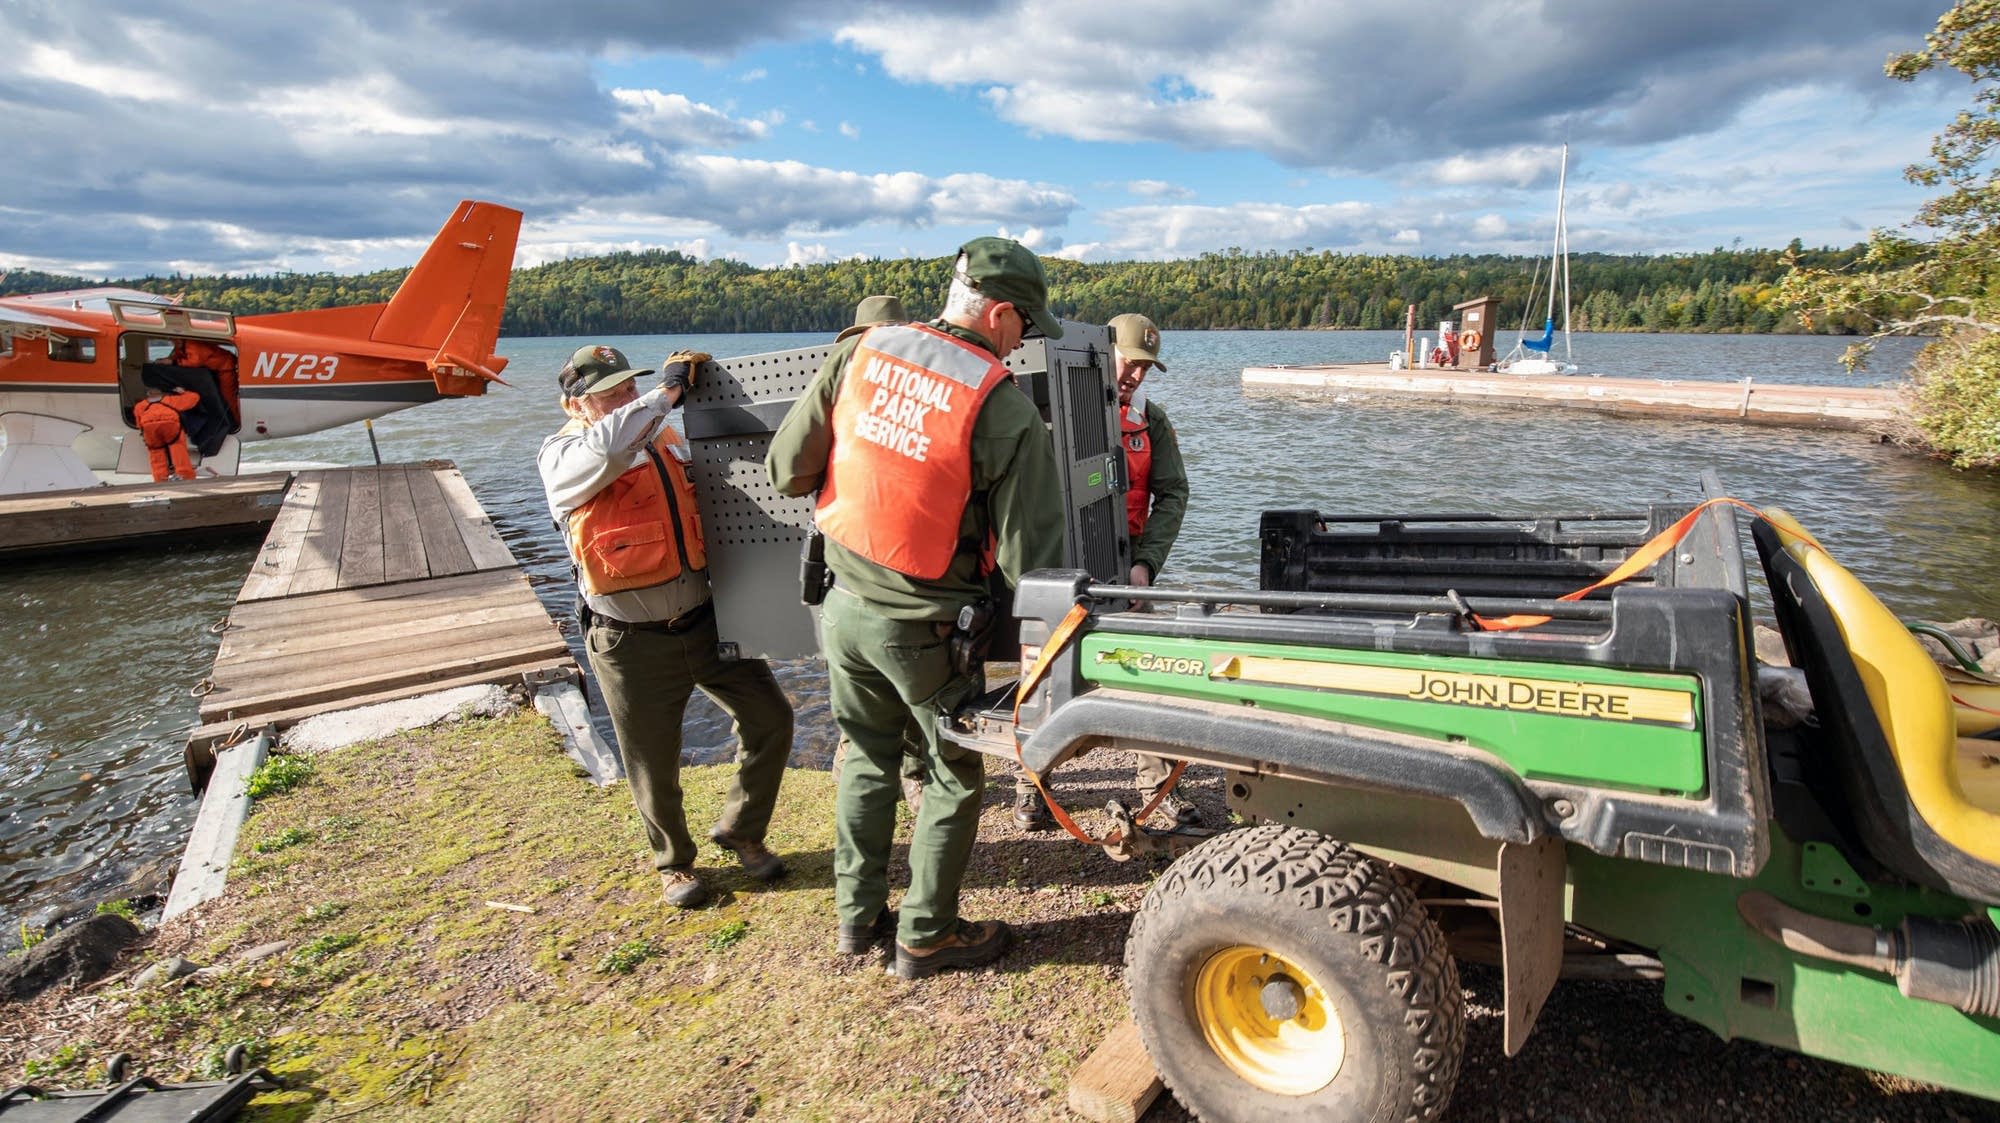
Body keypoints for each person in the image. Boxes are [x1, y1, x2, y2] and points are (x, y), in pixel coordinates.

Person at [769, 238, 1065, 978]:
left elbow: (787, 469)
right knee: (952, 770)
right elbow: (1034, 566)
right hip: (927, 629)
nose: (1023, 341)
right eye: (1025, 325)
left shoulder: (862, 352)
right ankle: (927, 934)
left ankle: (857, 917)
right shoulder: (1005, 408)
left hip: (840, 607)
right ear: (998, 313)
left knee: (867, 754)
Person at [539, 343, 796, 909]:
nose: (627, 399)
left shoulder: (665, 437)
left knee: (771, 718)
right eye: (610, 394)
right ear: (574, 405)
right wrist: (669, 390)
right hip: (630, 640)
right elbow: (612, 445)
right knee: (652, 760)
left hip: (705, 622)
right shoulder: (564, 455)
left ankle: (742, 830)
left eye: (631, 387)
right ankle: (674, 864)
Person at [1012, 312, 1199, 830]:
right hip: (1061, 562)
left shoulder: (1150, 420)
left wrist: (1145, 563)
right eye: (1129, 362)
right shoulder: (1053, 405)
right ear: (1102, 353)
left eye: (1145, 368)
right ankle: (1033, 782)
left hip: (1125, 561)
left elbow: (1174, 493)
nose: (1135, 375)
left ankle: (1158, 784)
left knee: (1147, 669)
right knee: (1042, 669)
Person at [131, 384, 201, 481]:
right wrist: (183, 392)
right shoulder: (170, 400)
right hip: (170, 425)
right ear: (162, 394)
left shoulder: (140, 406)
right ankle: (184, 474)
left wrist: (145, 434)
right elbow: (194, 398)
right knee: (177, 447)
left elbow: (139, 424)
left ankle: (160, 477)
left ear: (148, 394)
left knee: (156, 451)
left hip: (149, 428)